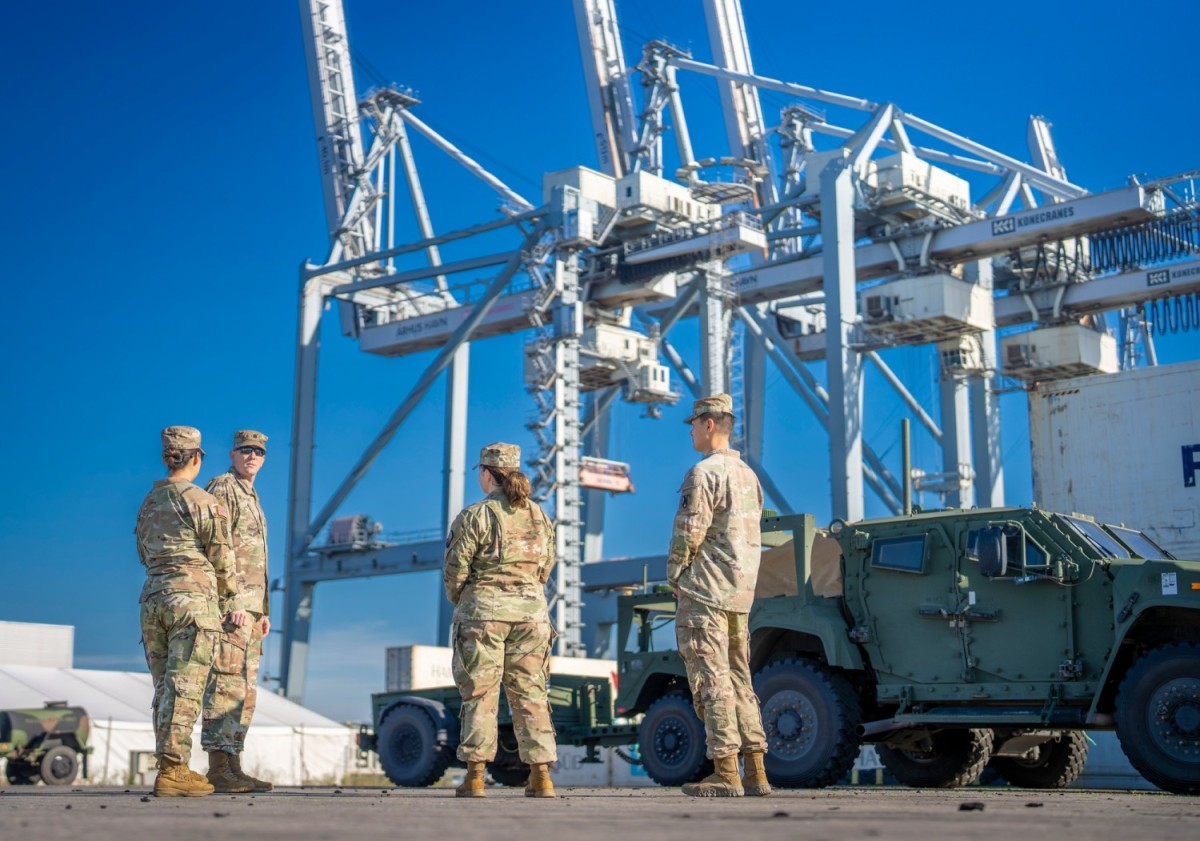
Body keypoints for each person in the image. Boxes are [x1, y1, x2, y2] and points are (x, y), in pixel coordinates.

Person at [667, 394, 770, 798]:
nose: (691, 430)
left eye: (693, 423)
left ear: (709, 424)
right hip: (739, 593)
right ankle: (756, 770)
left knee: (710, 681)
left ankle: (725, 770)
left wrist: (675, 575)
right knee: (740, 680)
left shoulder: (703, 473)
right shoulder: (749, 476)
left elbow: (688, 531)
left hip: (705, 591)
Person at [135, 426, 246, 797]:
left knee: (165, 687)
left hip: (153, 599)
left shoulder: (149, 502)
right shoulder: (201, 500)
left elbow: (142, 553)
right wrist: (231, 603)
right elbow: (222, 557)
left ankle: (170, 765)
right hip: (192, 602)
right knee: (185, 686)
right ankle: (173, 770)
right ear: (196, 458)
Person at [443, 442, 558, 799]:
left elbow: (455, 570)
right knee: (531, 693)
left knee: (480, 693)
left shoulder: (474, 515)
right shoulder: (540, 516)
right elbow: (545, 567)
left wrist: (465, 600)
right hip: (531, 615)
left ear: (487, 473)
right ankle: (541, 777)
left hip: (484, 614)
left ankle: (476, 778)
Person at [202, 430, 273, 793]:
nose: (252, 456)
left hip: (251, 613)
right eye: (246, 450)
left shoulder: (252, 496)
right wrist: (230, 604)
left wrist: (262, 612)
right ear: (231, 453)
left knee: (245, 690)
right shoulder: (223, 488)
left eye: (258, 451)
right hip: (233, 610)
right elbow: (217, 547)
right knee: (226, 683)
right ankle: (218, 767)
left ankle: (234, 764)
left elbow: (256, 562)